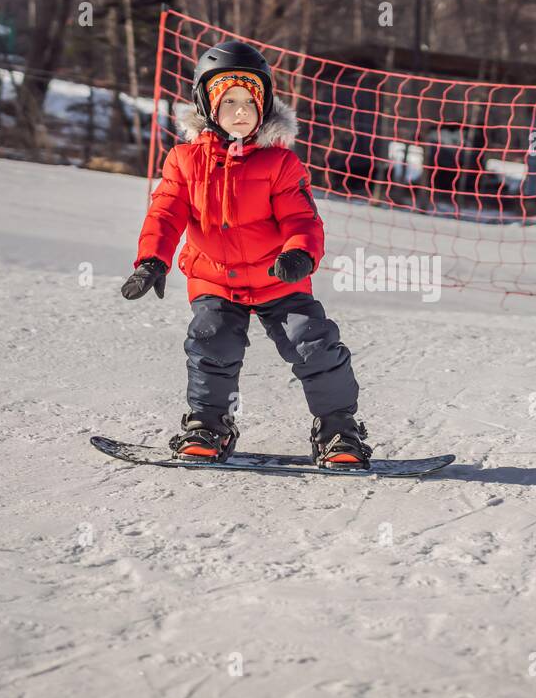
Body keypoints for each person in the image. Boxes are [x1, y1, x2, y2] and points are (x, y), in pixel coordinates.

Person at [120, 40, 372, 468]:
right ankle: (208, 424)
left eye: (249, 101)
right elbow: (165, 213)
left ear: (265, 106)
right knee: (211, 341)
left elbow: (303, 220)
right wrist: (152, 260)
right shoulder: (184, 161)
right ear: (207, 105)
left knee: (313, 343)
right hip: (215, 279)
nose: (240, 111)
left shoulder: (280, 164)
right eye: (229, 100)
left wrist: (299, 255)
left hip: (279, 279)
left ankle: (338, 429)